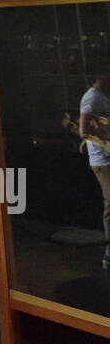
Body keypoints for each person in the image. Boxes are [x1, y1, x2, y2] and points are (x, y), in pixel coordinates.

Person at [80, 67, 110, 270]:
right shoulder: (92, 97)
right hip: (103, 161)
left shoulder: (102, 96)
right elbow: (84, 130)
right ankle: (109, 254)